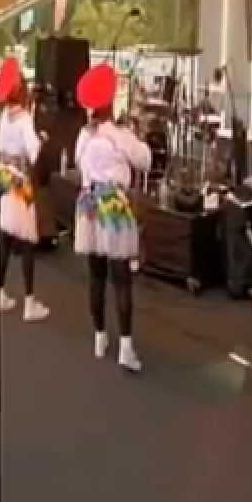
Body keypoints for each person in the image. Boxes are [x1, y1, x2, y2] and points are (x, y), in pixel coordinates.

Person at [72, 63, 153, 372]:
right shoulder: (120, 135)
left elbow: (81, 165)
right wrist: (136, 135)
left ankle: (99, 337)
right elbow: (145, 160)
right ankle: (126, 349)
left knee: (95, 276)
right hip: (114, 208)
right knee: (121, 280)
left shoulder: (84, 136)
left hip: (89, 205)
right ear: (110, 102)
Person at [0, 58, 49, 321]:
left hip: (1, 178)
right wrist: (42, 138)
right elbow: (33, 153)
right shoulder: (24, 120)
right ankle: (29, 302)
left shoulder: (4, 116)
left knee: (4, 239)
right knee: (26, 241)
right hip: (18, 183)